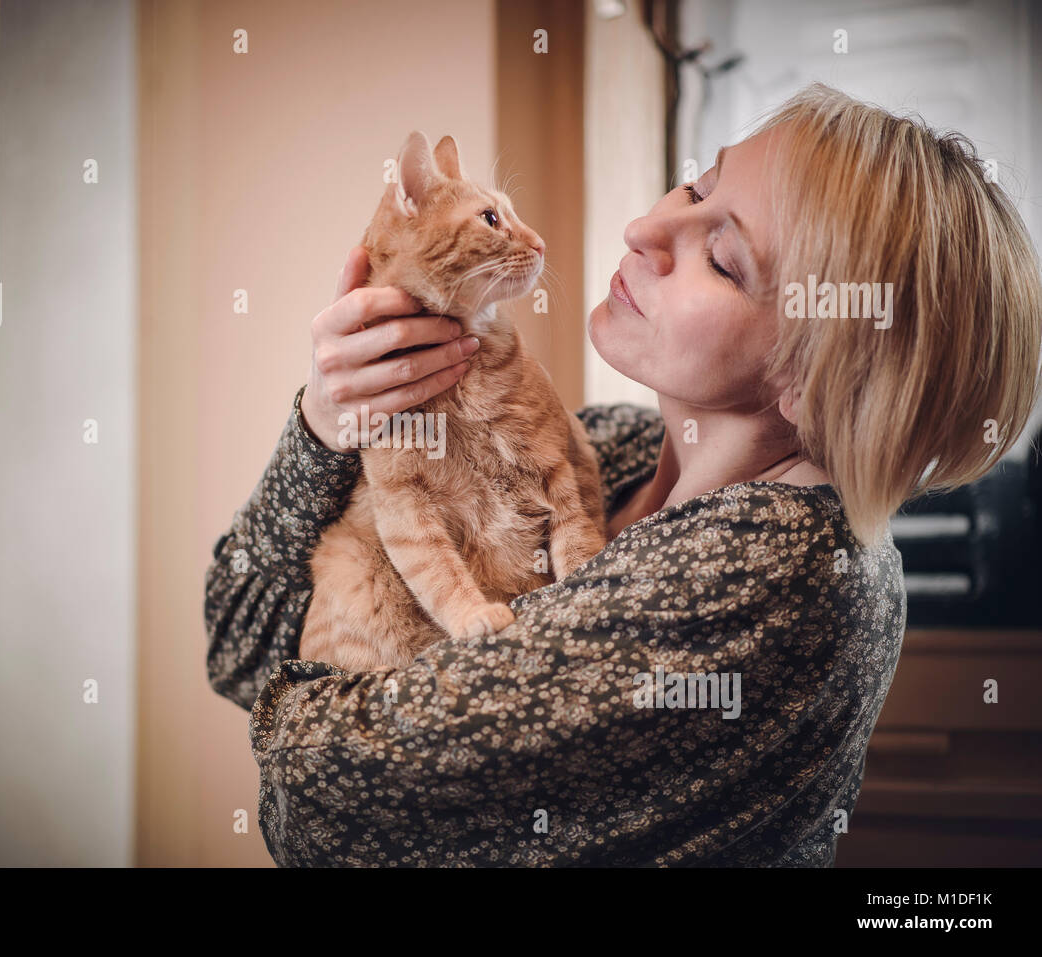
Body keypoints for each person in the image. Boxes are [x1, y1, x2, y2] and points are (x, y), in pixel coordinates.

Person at [204, 83, 1042, 866]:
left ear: (818, 382)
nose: (645, 229)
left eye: (721, 258)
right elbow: (238, 639)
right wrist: (323, 427)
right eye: (693, 186)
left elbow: (316, 802)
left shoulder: (779, 576)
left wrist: (291, 721)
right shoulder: (622, 444)